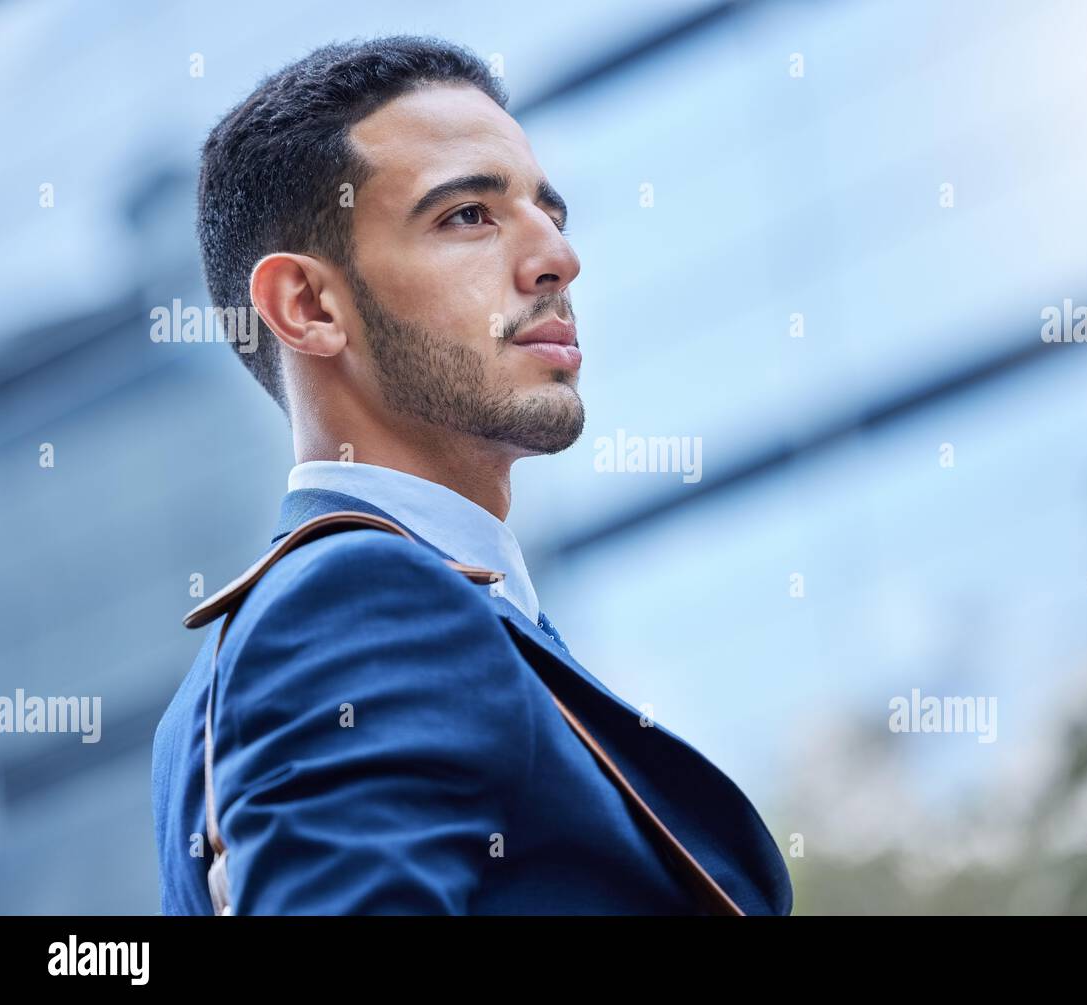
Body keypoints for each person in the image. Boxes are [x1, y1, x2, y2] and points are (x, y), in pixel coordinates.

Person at [151, 35, 792, 915]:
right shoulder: (355, 604)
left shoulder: (302, 640)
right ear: (307, 305)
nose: (557, 258)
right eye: (467, 216)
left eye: (550, 212)